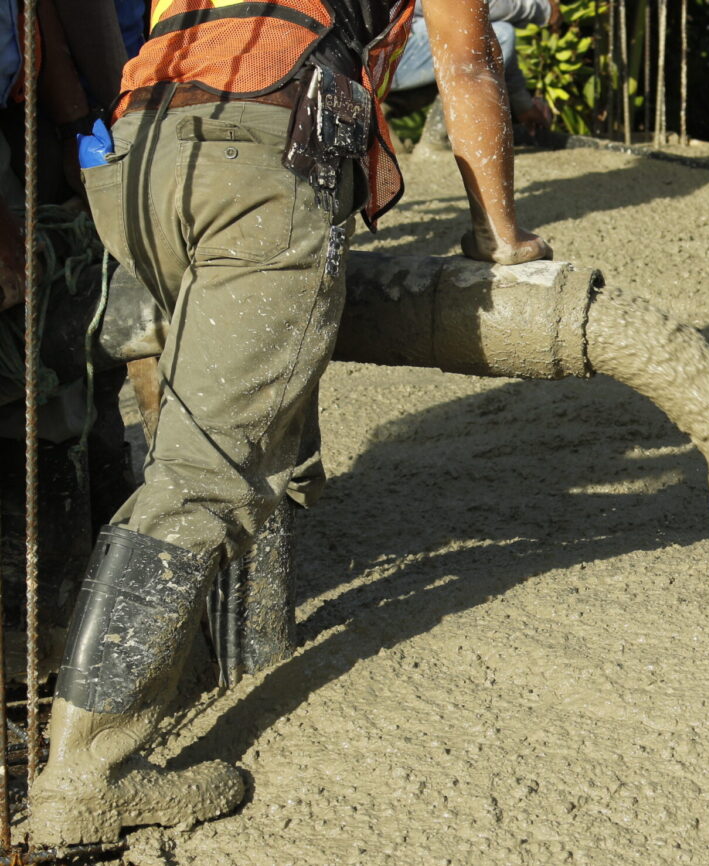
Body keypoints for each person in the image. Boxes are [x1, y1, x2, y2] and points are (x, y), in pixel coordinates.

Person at [30, 0, 550, 846]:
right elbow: (465, 61)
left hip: (136, 154)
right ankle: (87, 779)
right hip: (260, 158)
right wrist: (502, 236)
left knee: (225, 413)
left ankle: (231, 658)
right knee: (206, 473)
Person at [394, 0, 559, 135]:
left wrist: (523, 105)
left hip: (389, 54)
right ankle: (440, 138)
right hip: (386, 58)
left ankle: (388, 108)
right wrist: (544, 10)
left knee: (487, 32)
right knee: (495, 34)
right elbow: (468, 6)